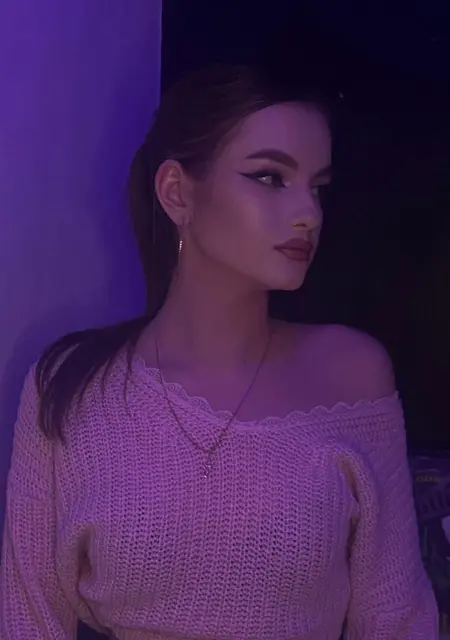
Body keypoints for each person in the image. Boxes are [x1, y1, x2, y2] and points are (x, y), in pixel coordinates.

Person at [0, 64, 438, 640]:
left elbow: (397, 619)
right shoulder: (68, 387)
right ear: (177, 193)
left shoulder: (352, 375)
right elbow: (29, 619)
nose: (308, 213)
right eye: (270, 177)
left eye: (318, 187)